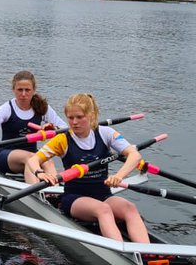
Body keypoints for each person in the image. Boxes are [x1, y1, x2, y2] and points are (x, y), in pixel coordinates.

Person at [26, 92, 148, 244]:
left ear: (91, 115)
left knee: (130, 207)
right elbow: (34, 160)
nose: (74, 122)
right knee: (103, 210)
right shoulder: (62, 139)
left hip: (103, 195)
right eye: (70, 118)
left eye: (79, 117)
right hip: (74, 199)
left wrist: (119, 176)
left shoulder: (106, 133)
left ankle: (147, 252)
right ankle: (122, 254)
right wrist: (39, 172)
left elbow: (134, 155)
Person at [0, 70, 65, 174]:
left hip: (31, 154)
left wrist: (54, 129)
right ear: (13, 90)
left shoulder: (42, 107)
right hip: (7, 156)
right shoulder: (6, 109)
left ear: (34, 90)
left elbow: (65, 128)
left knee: (48, 161)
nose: (23, 94)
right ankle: (34, 189)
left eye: (27, 90)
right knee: (31, 159)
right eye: (20, 90)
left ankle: (52, 188)